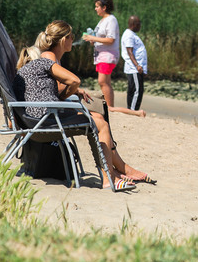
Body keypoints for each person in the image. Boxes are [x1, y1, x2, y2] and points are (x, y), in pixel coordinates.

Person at [18, 20, 153, 189]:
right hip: (45, 120)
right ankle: (110, 176)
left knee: (96, 113)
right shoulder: (47, 60)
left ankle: (114, 170)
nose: (73, 40)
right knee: (99, 120)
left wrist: (73, 91)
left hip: (35, 118)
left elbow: (52, 89)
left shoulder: (43, 60)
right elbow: (73, 80)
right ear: (63, 40)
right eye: (71, 37)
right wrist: (74, 89)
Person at [81, 0, 119, 108]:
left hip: (108, 55)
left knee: (102, 81)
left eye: (97, 6)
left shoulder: (111, 20)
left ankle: (110, 107)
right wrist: (91, 39)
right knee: (105, 82)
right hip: (100, 55)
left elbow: (111, 39)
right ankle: (109, 105)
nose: (95, 9)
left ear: (104, 7)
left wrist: (93, 38)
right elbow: (100, 37)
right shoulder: (102, 21)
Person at [118, 15, 148, 116]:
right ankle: (133, 111)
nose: (140, 26)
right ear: (134, 24)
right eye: (139, 24)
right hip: (134, 68)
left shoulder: (131, 34)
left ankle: (131, 110)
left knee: (134, 89)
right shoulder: (129, 35)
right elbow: (129, 51)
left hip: (136, 68)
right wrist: (137, 66)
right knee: (137, 90)